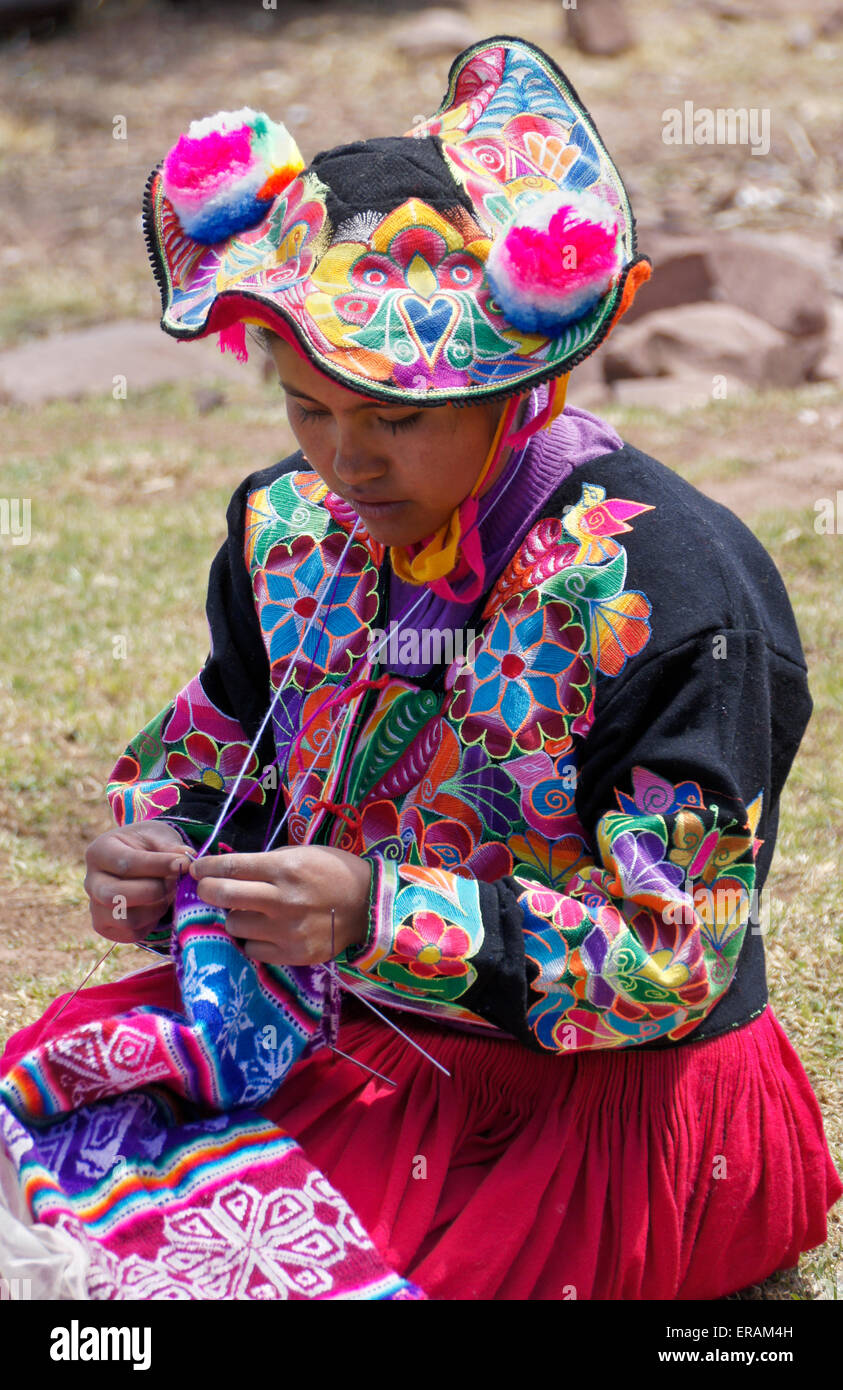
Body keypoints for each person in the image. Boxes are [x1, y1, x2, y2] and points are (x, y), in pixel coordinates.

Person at [0, 35, 839, 1302]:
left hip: (601, 1109)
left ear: (524, 388)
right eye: (307, 405)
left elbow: (672, 961)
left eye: (397, 416)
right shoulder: (285, 534)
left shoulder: (667, 597)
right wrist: (153, 837)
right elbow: (222, 747)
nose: (346, 464)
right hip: (332, 1029)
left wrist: (374, 912)